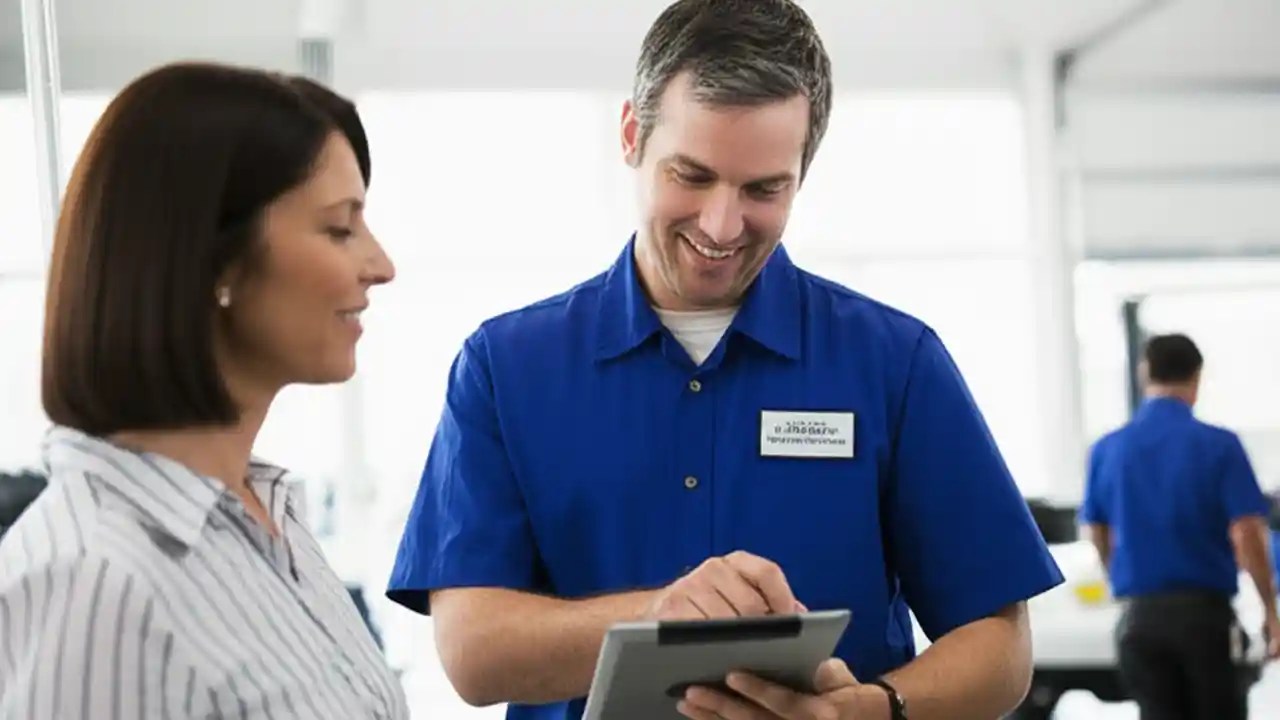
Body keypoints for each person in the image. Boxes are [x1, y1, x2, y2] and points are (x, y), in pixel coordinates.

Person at [388, 1, 1064, 718]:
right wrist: (658, 617)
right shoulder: (506, 368)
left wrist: (871, 710)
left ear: (803, 171)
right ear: (630, 135)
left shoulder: (896, 363)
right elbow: (473, 652)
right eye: (693, 175)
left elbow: (999, 644)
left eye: (763, 189)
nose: (721, 225)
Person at [0, 62, 408, 719]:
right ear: (214, 261)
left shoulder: (272, 522)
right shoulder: (94, 582)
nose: (380, 266)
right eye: (339, 228)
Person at [1081, 333, 1280, 720]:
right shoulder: (1219, 445)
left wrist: (1120, 585)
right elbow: (1247, 532)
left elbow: (1098, 532)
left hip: (1139, 620)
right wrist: (1271, 612)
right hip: (1204, 618)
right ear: (1197, 377)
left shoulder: (1107, 449)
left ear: (1145, 374)